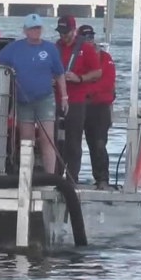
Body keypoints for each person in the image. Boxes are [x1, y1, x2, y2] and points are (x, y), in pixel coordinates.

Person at [0, 13, 67, 177]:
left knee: (47, 139)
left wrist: (64, 96)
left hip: (45, 99)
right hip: (23, 102)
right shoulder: (15, 47)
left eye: (37, 28)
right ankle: (26, 176)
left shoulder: (50, 49)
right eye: (32, 28)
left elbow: (60, 73)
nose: (35, 31)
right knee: (26, 141)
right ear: (25, 30)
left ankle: (50, 177)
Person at [54, 14, 101, 185]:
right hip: (56, 98)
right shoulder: (55, 47)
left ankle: (72, 177)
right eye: (60, 32)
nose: (63, 36)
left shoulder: (86, 49)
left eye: (66, 32)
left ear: (74, 31)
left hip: (76, 99)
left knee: (73, 140)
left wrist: (79, 78)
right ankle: (55, 175)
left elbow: (97, 72)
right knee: (55, 140)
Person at [78, 24, 116, 190]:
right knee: (70, 143)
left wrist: (87, 87)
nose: (89, 41)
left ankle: (102, 179)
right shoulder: (75, 57)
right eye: (85, 38)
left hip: (99, 106)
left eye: (90, 37)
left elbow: (107, 82)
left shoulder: (105, 57)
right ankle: (69, 176)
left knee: (98, 144)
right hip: (78, 104)